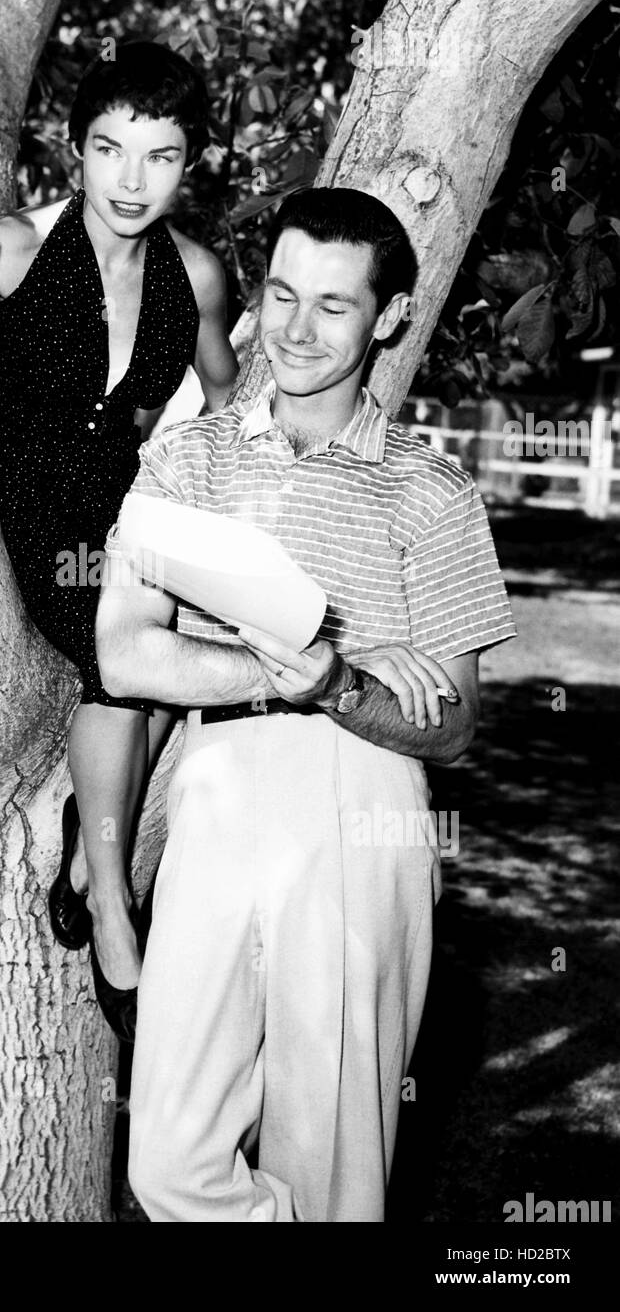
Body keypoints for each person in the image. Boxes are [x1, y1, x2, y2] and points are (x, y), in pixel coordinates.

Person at [96, 187, 517, 1220]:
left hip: (356, 805)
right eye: (282, 293)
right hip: (214, 789)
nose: (296, 327)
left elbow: (453, 722)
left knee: (331, 1161)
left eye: (334, 305)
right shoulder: (187, 459)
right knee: (168, 1160)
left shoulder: (433, 491)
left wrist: (330, 686)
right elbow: (124, 652)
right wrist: (311, 655)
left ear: (390, 319)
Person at [0, 42, 238, 1039]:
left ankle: (85, 846)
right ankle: (114, 906)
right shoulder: (17, 247)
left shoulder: (197, 273)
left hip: (128, 518)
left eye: (159, 156)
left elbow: (229, 396)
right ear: (74, 151)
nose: (131, 178)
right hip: (29, 521)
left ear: (187, 165)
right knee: (132, 654)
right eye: (110, 149)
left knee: (198, 630)